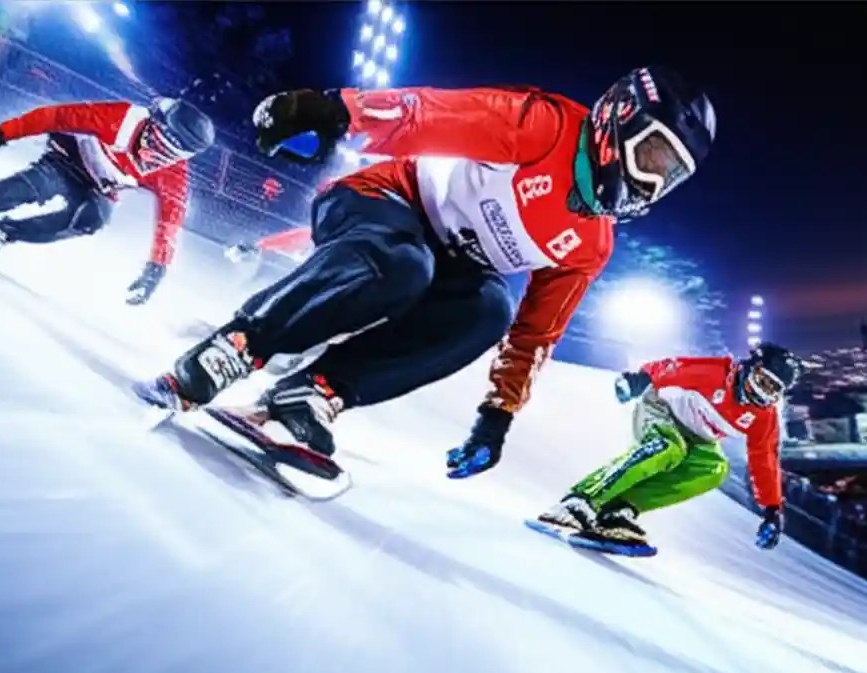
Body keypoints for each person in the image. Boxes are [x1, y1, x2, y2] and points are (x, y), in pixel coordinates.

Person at [133, 66, 717, 471]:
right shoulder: (545, 127)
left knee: (490, 309)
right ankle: (235, 346)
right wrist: (335, 109)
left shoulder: (591, 243)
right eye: (652, 156)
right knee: (402, 264)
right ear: (618, 117)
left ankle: (315, 392)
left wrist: (498, 416)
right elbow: (432, 113)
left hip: (445, 266)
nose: (649, 183)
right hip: (380, 201)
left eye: (669, 177)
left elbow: (535, 337)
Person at [0, 98, 215, 305]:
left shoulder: (173, 174)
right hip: (69, 159)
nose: (153, 153)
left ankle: (4, 232)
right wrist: (0, 134)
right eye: (156, 140)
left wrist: (156, 268)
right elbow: (56, 116)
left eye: (167, 152)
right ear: (154, 124)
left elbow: (170, 221)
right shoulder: (122, 117)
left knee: (91, 220)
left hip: (100, 185)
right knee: (41, 183)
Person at [535, 343, 802, 552]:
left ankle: (621, 509)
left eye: (774, 389)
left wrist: (772, 508)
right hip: (660, 411)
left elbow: (764, 458)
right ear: (750, 367)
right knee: (667, 448)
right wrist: (638, 380)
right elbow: (667, 367)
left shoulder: (763, 417)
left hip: (698, 437)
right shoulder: (714, 373)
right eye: (763, 380)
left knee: (713, 469)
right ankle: (582, 500)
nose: (764, 393)